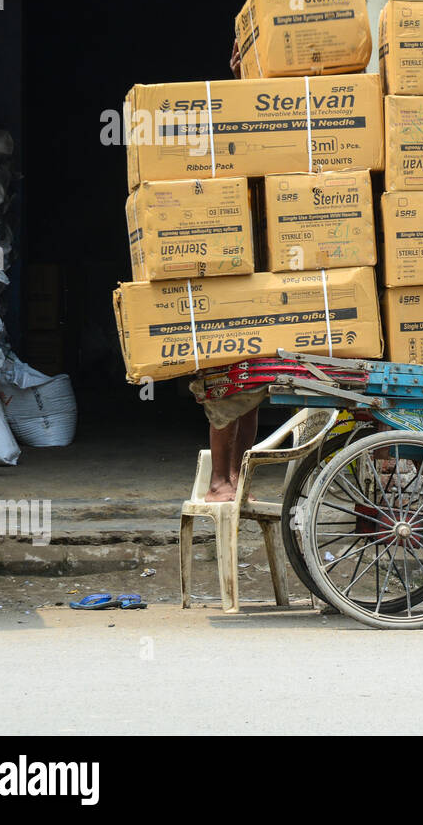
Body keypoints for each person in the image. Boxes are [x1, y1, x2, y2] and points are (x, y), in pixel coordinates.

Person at [185, 38, 267, 504]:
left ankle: (239, 477)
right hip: (218, 272)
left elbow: (254, 120)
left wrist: (246, 79)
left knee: (255, 380)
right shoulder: (209, 164)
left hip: (255, 269)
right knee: (223, 381)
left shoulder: (256, 165)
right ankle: (221, 479)